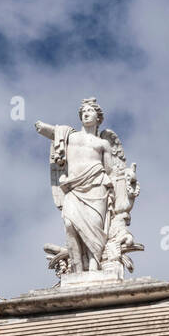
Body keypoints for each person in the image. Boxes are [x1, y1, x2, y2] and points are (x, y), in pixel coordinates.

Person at [34, 98, 113, 273]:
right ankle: (78, 267)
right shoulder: (70, 136)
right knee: (70, 224)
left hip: (97, 185)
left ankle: (94, 267)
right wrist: (41, 127)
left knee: (94, 227)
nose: (85, 114)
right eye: (83, 111)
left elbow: (110, 170)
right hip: (74, 187)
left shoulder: (103, 143)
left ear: (98, 117)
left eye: (90, 111)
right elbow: (53, 133)